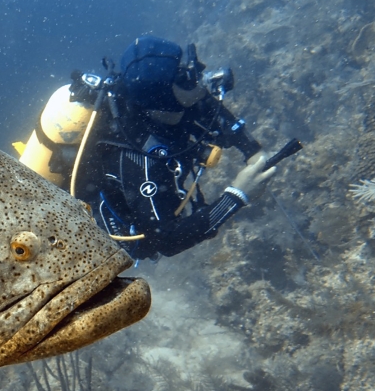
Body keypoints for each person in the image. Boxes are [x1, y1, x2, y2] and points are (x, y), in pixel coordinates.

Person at [16, 35, 278, 259]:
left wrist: (251, 149)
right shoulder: (140, 161)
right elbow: (166, 240)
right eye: (183, 78)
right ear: (162, 101)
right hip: (95, 235)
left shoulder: (172, 105)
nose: (194, 77)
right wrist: (238, 195)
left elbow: (206, 108)